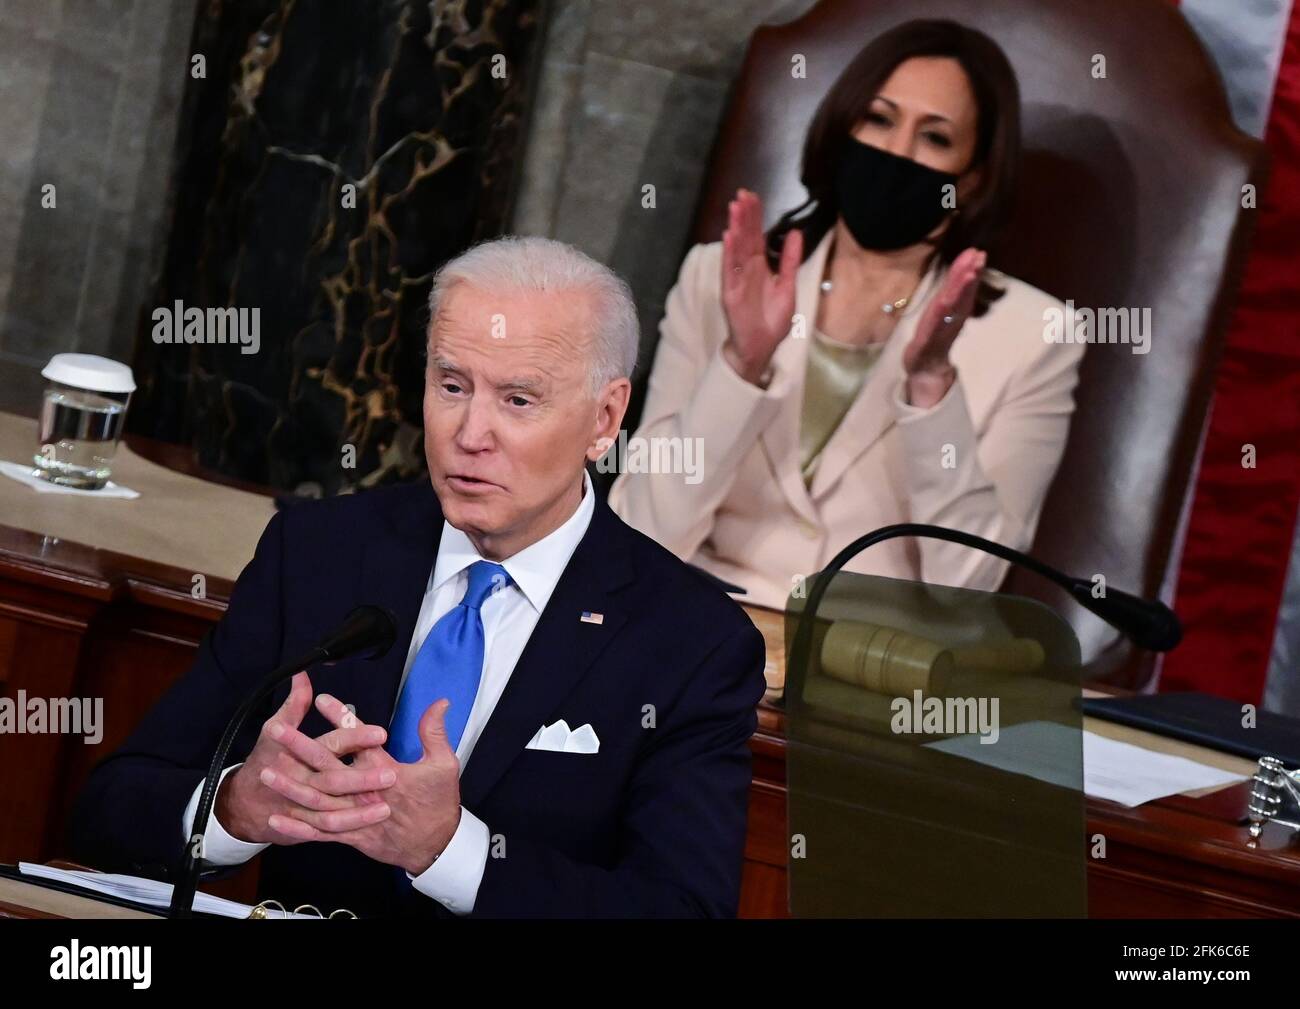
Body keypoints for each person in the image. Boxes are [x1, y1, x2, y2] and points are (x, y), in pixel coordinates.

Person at [68, 236, 767, 918]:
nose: (470, 432)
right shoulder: (319, 554)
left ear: (605, 417)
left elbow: (680, 907)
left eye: (518, 400)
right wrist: (233, 808)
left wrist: (454, 852)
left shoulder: (691, 641)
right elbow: (113, 808)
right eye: (452, 385)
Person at [609, 19, 1086, 609]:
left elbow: (965, 586)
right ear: (842, 130)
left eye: (935, 139)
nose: (896, 153)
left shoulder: (1035, 335)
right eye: (879, 120)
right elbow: (642, 532)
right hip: (695, 635)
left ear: (972, 178)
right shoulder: (719, 277)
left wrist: (932, 388)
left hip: (867, 668)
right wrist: (741, 364)